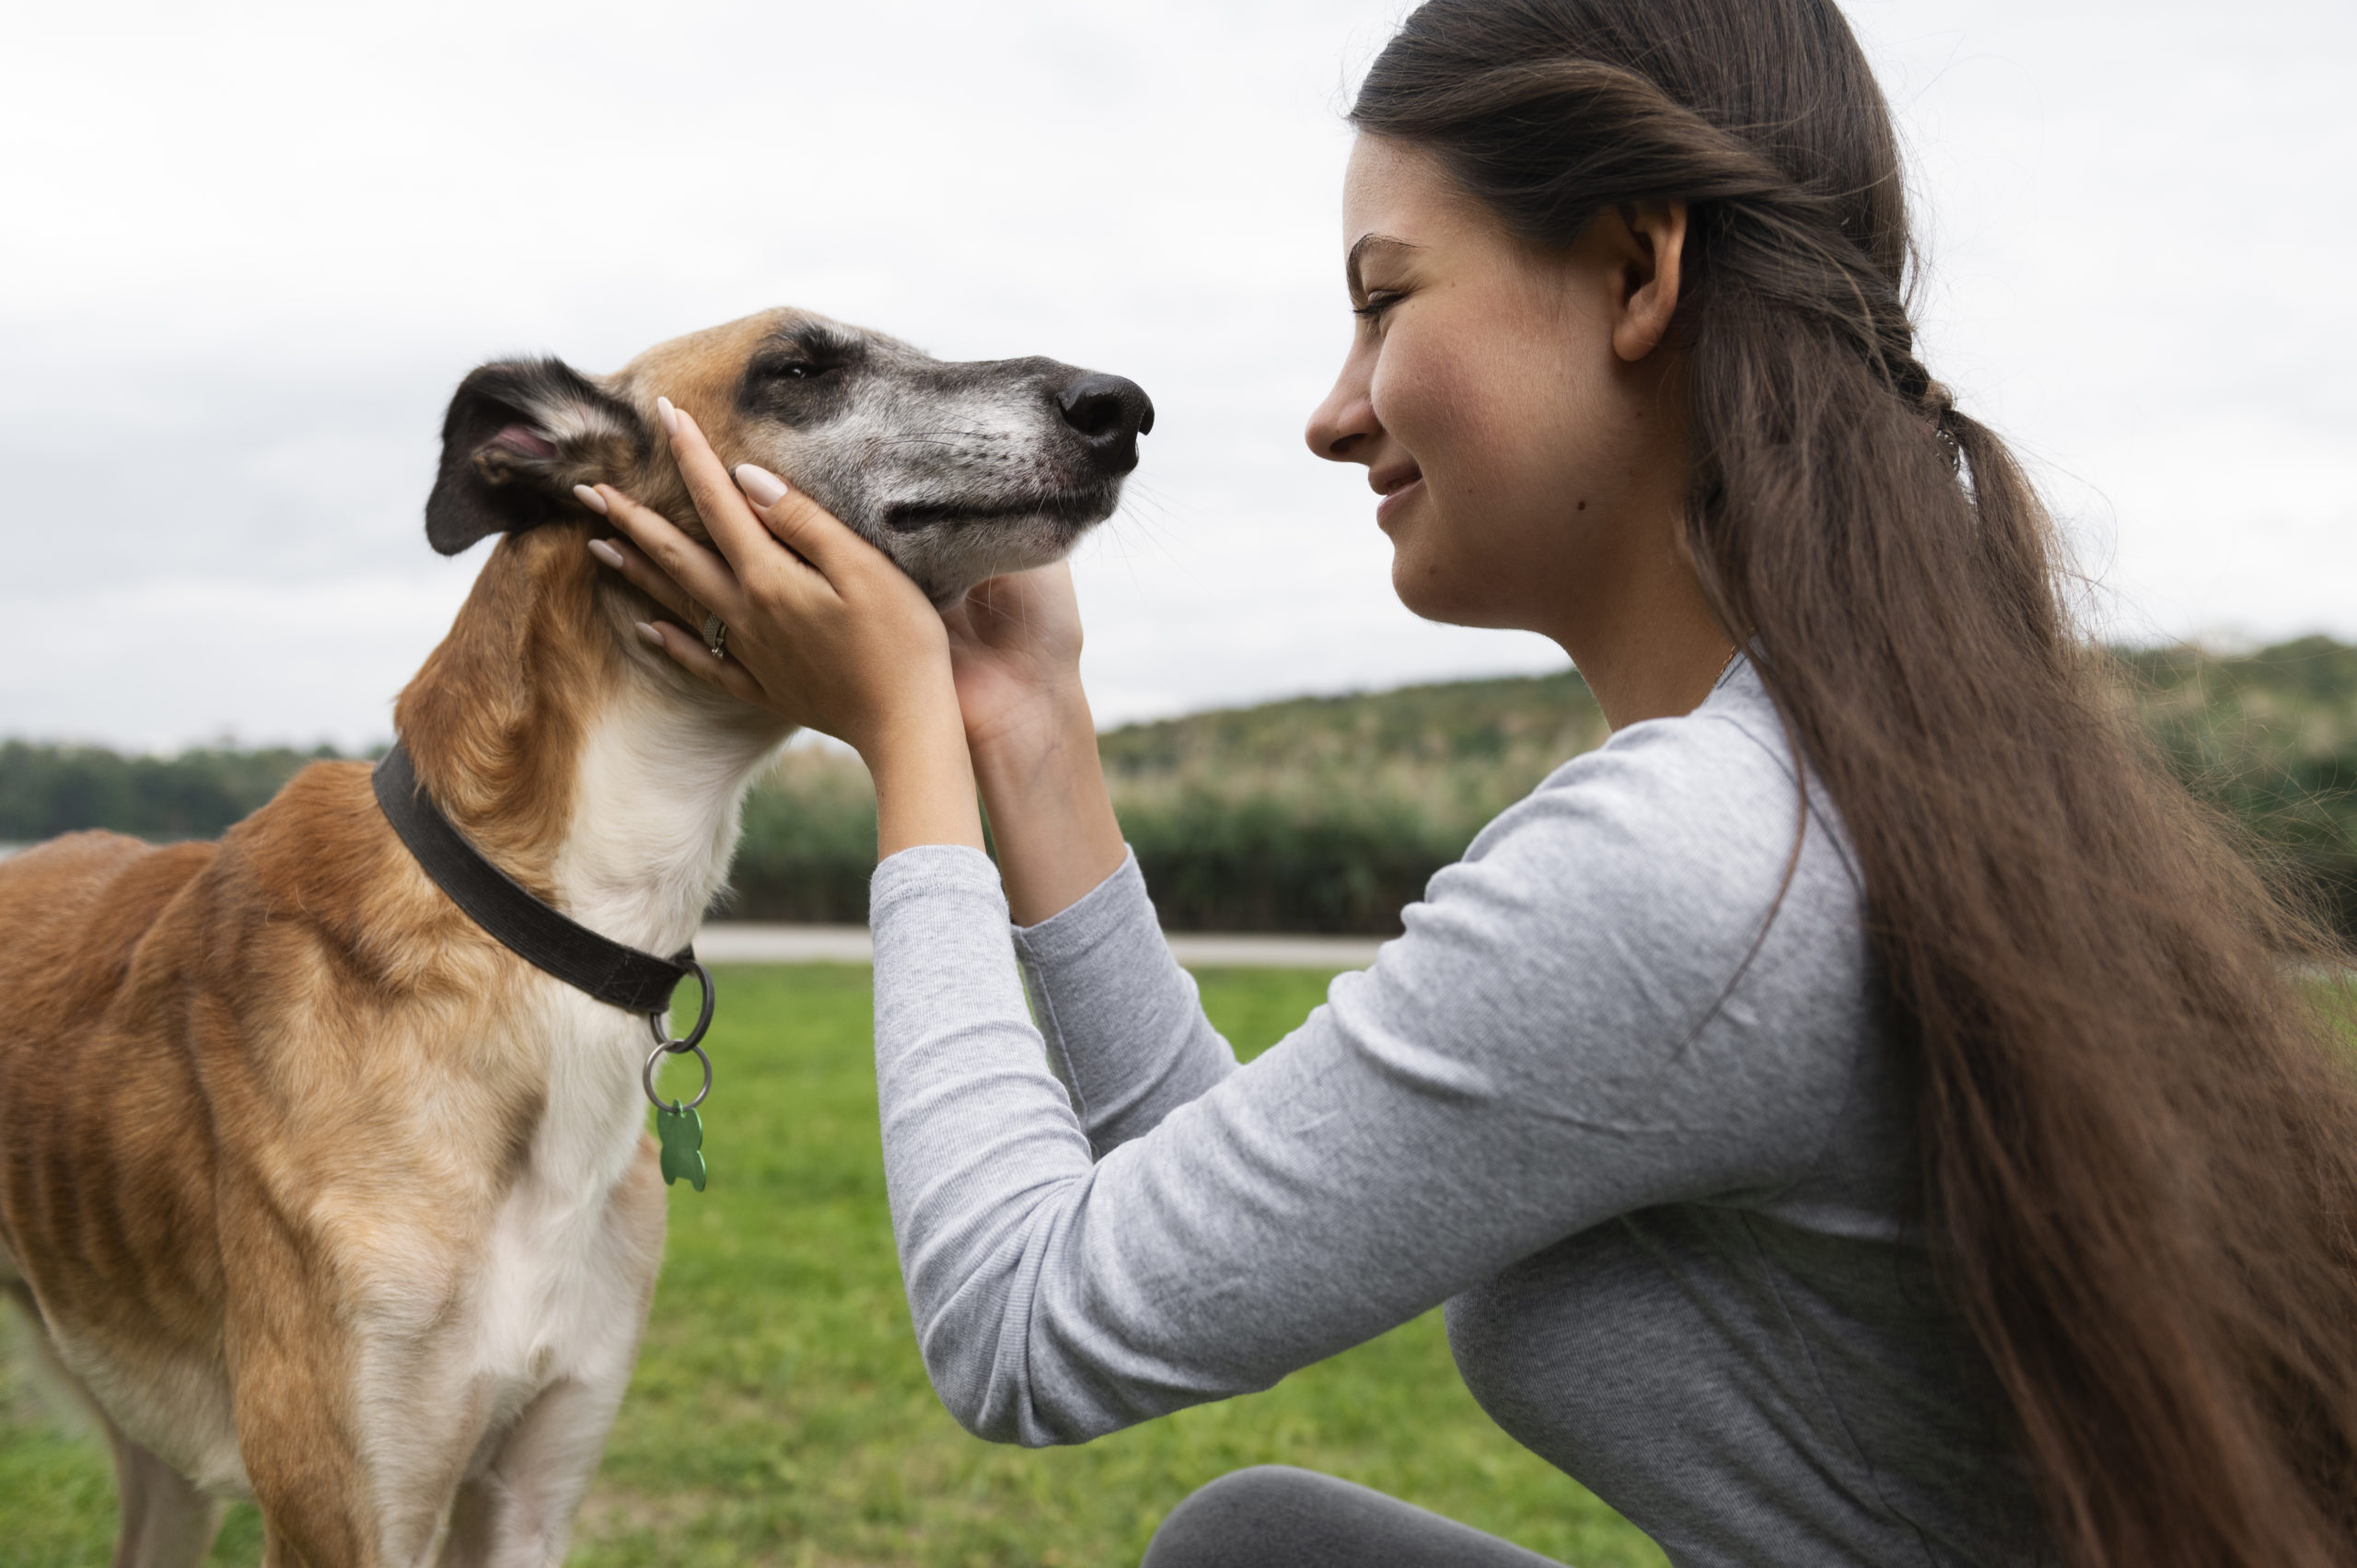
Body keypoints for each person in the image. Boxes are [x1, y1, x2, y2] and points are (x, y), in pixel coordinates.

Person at [584, 2, 2357, 1563]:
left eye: (1386, 304)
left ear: (1640, 273)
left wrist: (907, 758)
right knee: (1265, 1549)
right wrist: (1023, 727)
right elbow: (1217, 1197)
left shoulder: (1688, 867)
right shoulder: (1858, 771)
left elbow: (1024, 1328)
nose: (1334, 411)